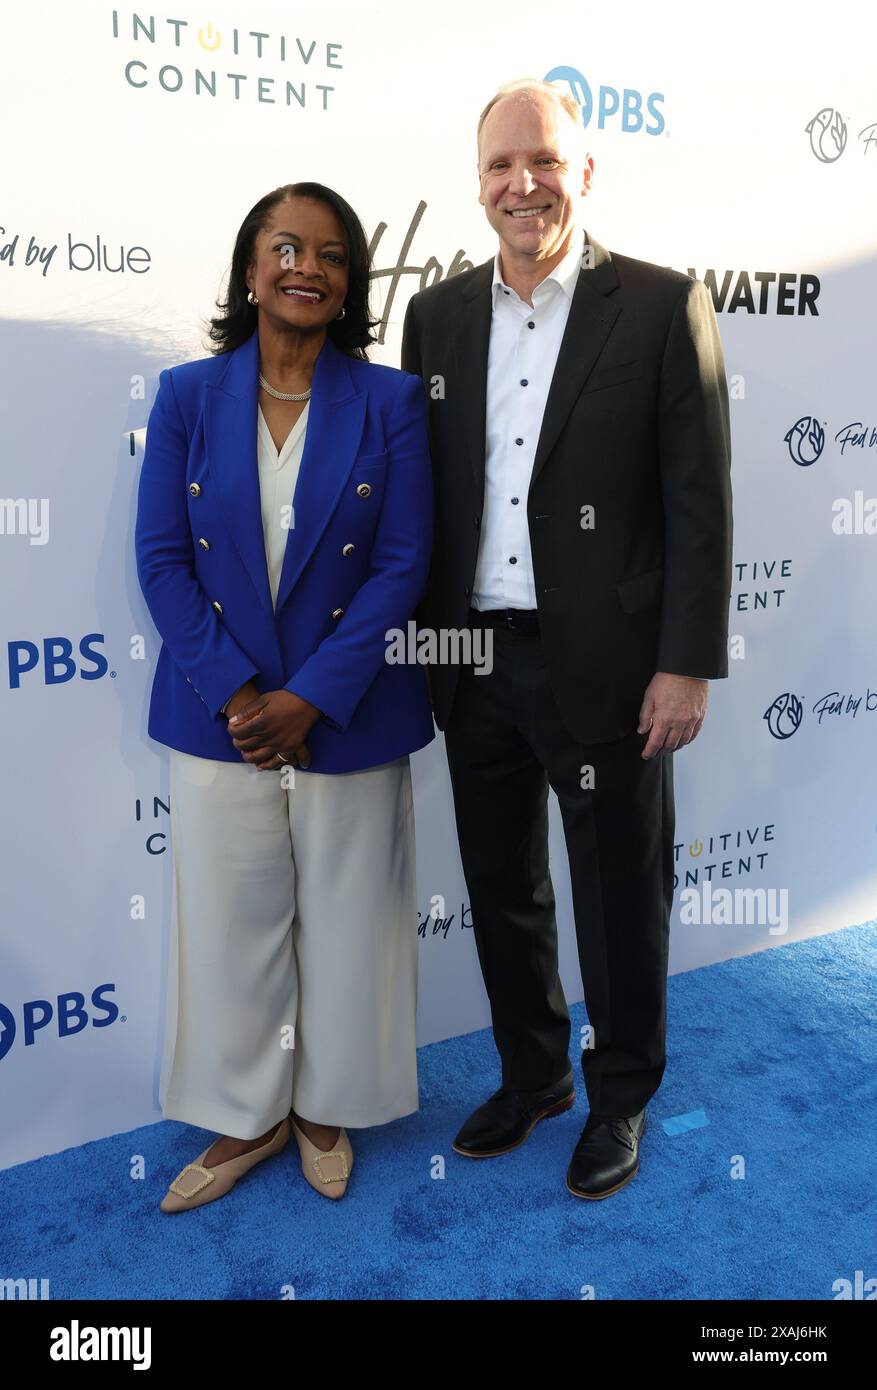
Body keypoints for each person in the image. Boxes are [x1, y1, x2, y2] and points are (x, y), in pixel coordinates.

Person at [401, 79, 732, 1199]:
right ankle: (533, 1072)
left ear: (582, 172)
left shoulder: (659, 304)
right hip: (472, 660)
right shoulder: (436, 317)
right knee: (502, 883)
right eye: (500, 166)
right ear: (477, 185)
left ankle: (621, 1092)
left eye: (541, 160)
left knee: (617, 894)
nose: (521, 183)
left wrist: (684, 661)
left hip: (611, 662)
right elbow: (431, 497)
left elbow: (699, 501)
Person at [135, 182, 434, 1210]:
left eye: (331, 254)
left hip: (347, 711)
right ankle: (249, 1112)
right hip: (220, 718)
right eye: (285, 247)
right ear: (250, 268)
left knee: (351, 922)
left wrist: (309, 697)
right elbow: (162, 558)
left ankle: (325, 1107)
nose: (307, 266)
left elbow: (402, 563)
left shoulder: (390, 401)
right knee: (229, 922)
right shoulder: (184, 396)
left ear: (349, 282)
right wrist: (238, 693)